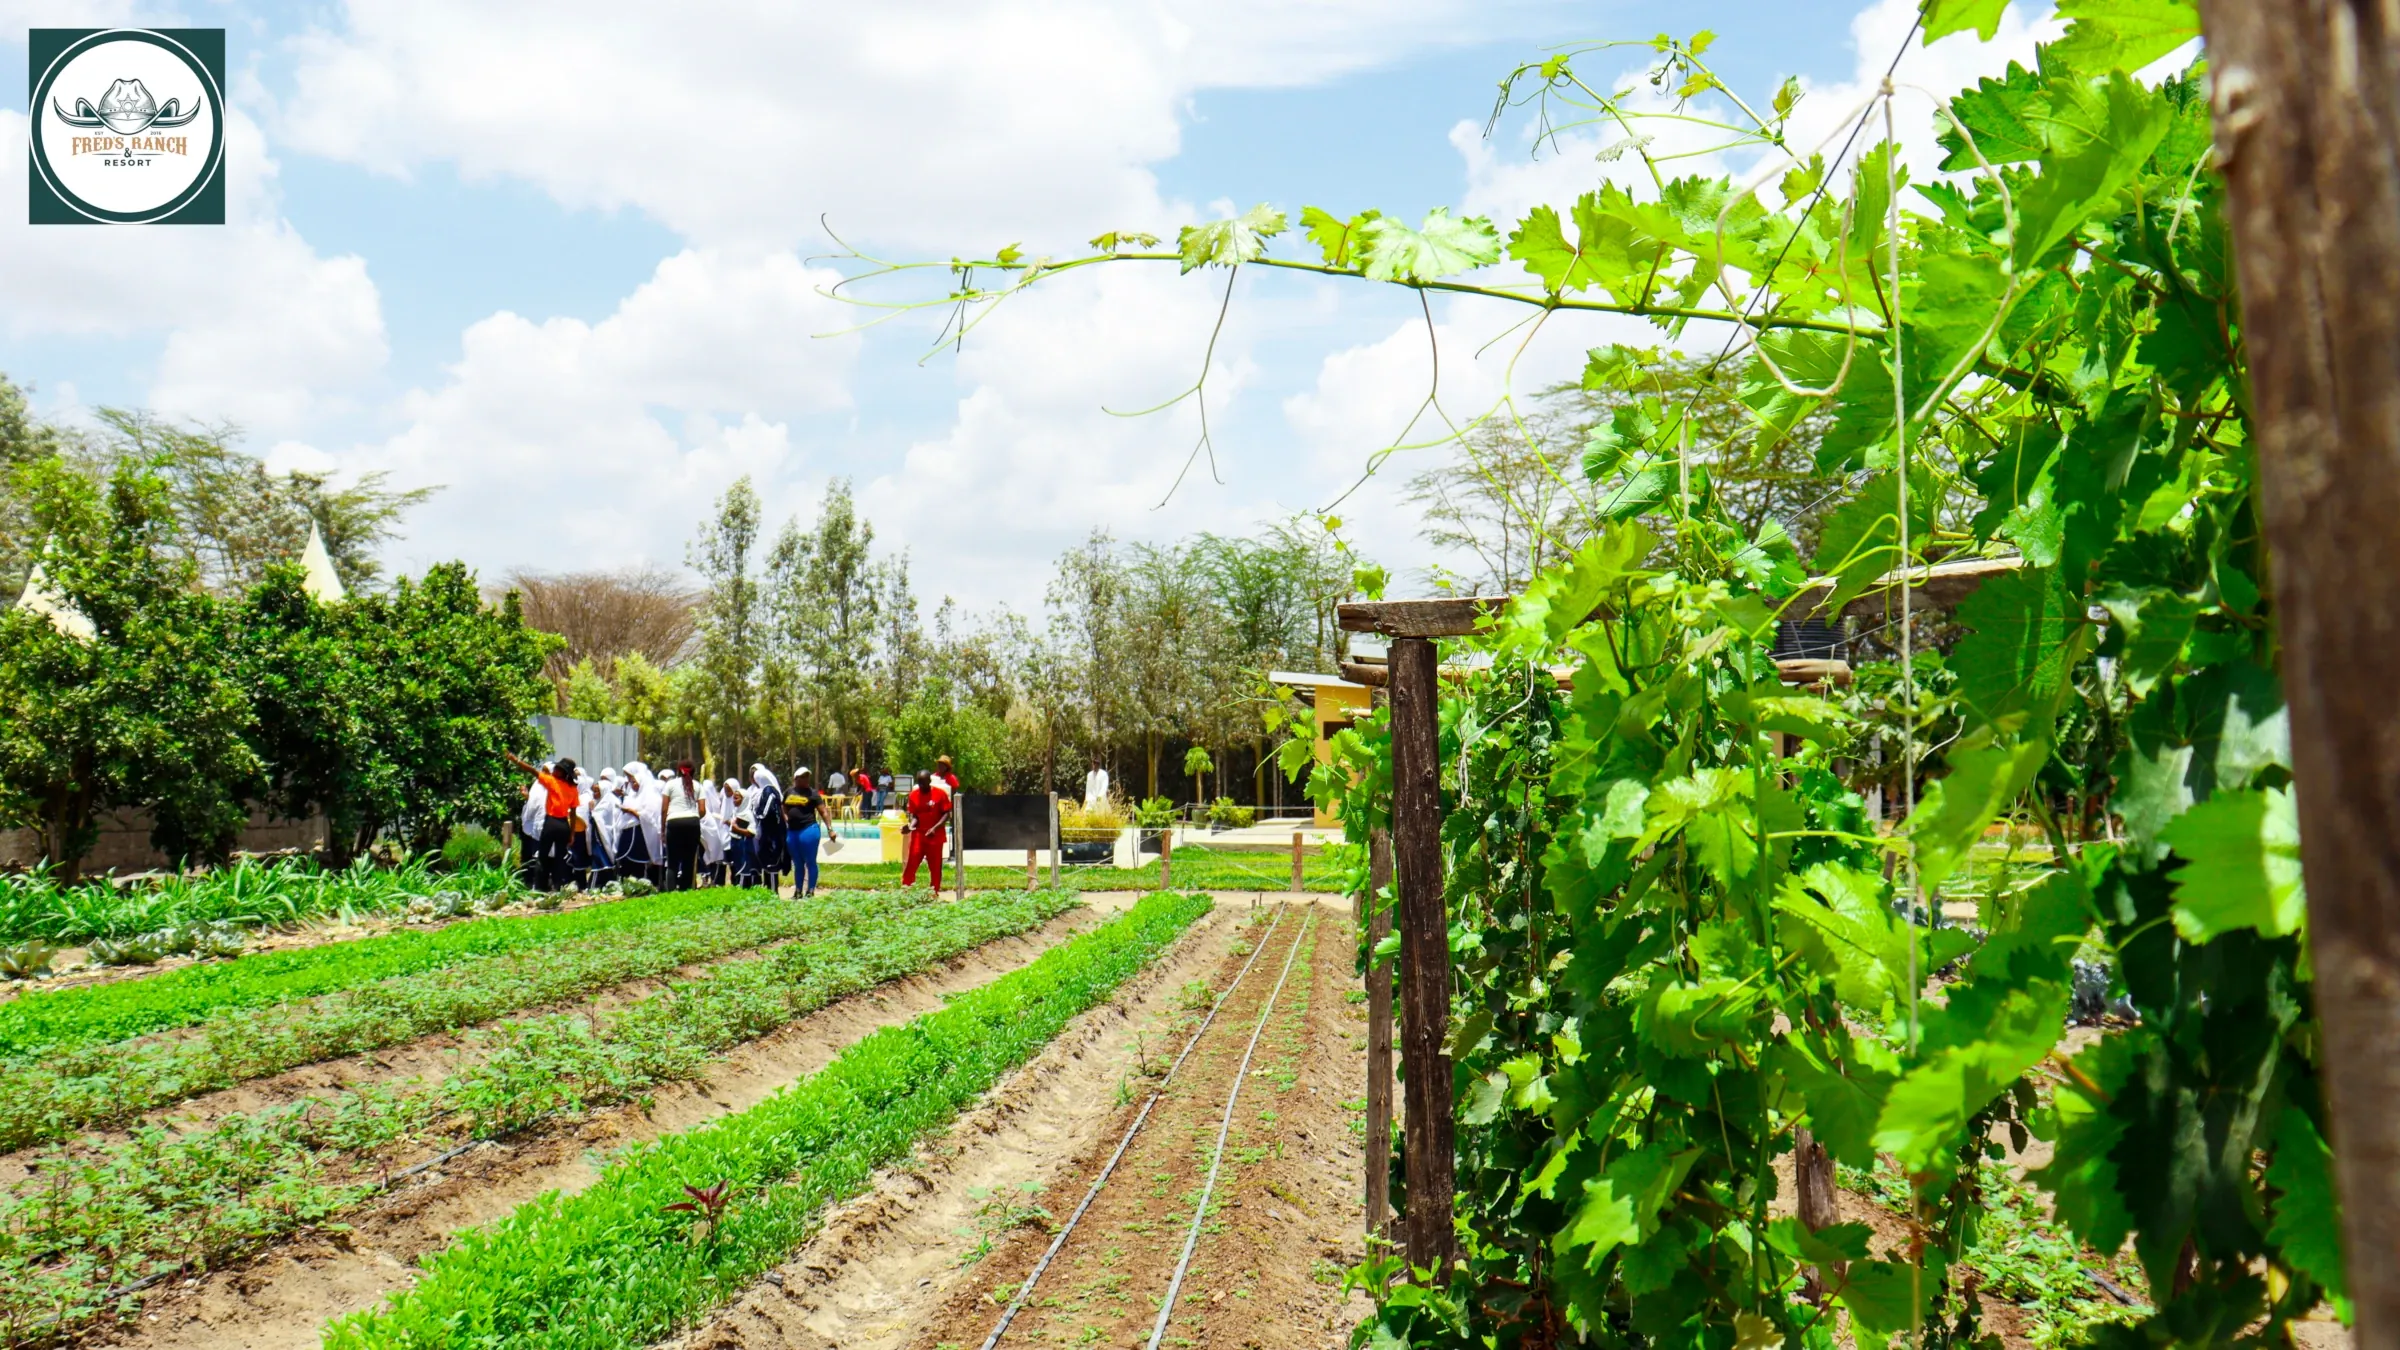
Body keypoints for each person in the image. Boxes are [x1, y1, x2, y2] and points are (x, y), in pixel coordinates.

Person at [505, 750, 579, 891]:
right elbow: (573, 813)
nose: (556, 770)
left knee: (543, 857)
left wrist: (516, 760)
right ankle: (557, 887)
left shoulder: (552, 781)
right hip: (564, 825)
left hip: (551, 822)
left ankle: (540, 888)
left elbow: (533, 771)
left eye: (559, 769)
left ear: (564, 773)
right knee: (559, 859)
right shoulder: (572, 789)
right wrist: (572, 834)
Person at [901, 765, 953, 891]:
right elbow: (916, 816)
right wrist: (910, 826)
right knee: (911, 864)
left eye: (924, 783)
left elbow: (947, 814)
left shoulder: (940, 794)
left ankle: (934, 892)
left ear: (929, 781)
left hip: (935, 836)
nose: (922, 786)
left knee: (935, 867)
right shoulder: (913, 795)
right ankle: (906, 890)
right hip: (919, 835)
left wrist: (935, 828)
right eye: (919, 783)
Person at [785, 767, 832, 897]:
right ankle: (798, 891)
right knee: (797, 863)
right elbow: (783, 807)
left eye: (807, 777)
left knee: (810, 861)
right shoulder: (788, 792)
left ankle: (810, 890)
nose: (806, 779)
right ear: (796, 779)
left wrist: (830, 829)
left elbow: (823, 811)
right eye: (802, 777)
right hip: (792, 832)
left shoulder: (813, 793)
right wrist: (785, 817)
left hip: (808, 830)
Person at [661, 761, 706, 891]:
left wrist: (663, 829)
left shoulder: (670, 785)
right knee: (688, 860)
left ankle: (671, 891)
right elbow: (702, 810)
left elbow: (664, 809)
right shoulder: (698, 786)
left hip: (674, 822)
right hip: (692, 822)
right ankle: (685, 890)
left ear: (678, 771)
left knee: (672, 861)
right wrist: (694, 818)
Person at [750, 764, 788, 894]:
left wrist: (756, 816)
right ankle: (767, 890)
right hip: (765, 833)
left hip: (771, 834)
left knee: (772, 864)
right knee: (765, 862)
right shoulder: (762, 791)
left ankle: (772, 893)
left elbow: (765, 813)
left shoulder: (769, 792)